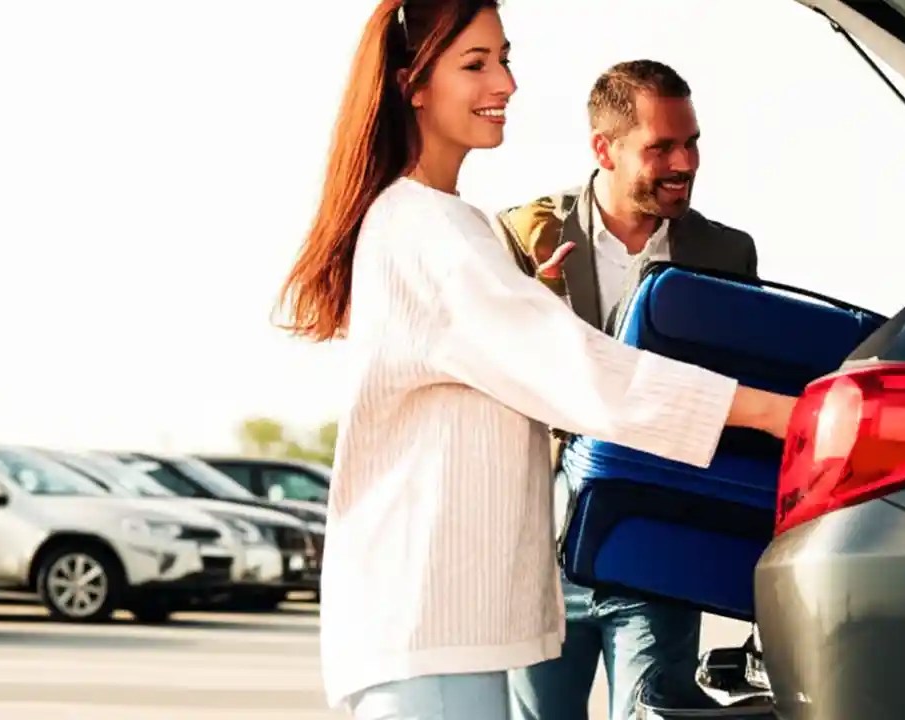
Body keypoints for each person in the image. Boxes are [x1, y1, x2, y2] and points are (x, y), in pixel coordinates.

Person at [273, 2, 795, 718]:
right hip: (431, 633)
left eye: (504, 59)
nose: (508, 83)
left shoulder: (438, 221)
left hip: (442, 633)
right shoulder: (431, 230)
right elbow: (579, 372)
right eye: (476, 64)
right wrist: (779, 414)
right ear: (412, 84)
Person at [494, 60, 759, 720]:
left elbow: (741, 401)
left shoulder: (726, 256)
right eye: (661, 147)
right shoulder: (524, 238)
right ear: (603, 149)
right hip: (540, 557)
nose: (684, 162)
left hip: (656, 549)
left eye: (692, 142)